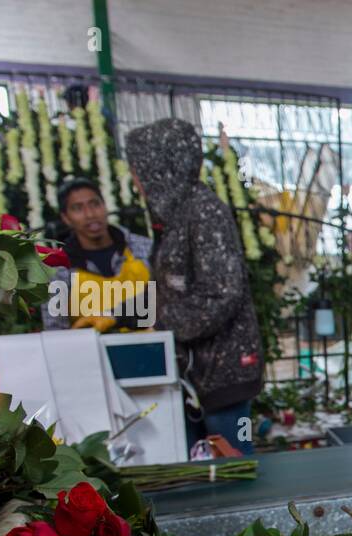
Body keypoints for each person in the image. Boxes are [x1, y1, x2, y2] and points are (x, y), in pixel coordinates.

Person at [124, 118, 262, 456]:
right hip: (198, 371)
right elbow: (175, 286)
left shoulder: (203, 212)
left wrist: (159, 321)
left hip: (223, 374)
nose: (135, 179)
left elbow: (221, 293)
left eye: (138, 168)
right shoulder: (178, 215)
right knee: (202, 469)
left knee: (233, 465)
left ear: (161, 167)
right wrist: (127, 313)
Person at [44, 177, 154, 332]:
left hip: (154, 347)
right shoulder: (59, 269)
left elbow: (166, 300)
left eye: (95, 204)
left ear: (105, 206)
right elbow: (55, 330)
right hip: (90, 354)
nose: (90, 214)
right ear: (66, 218)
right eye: (77, 208)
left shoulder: (143, 248)